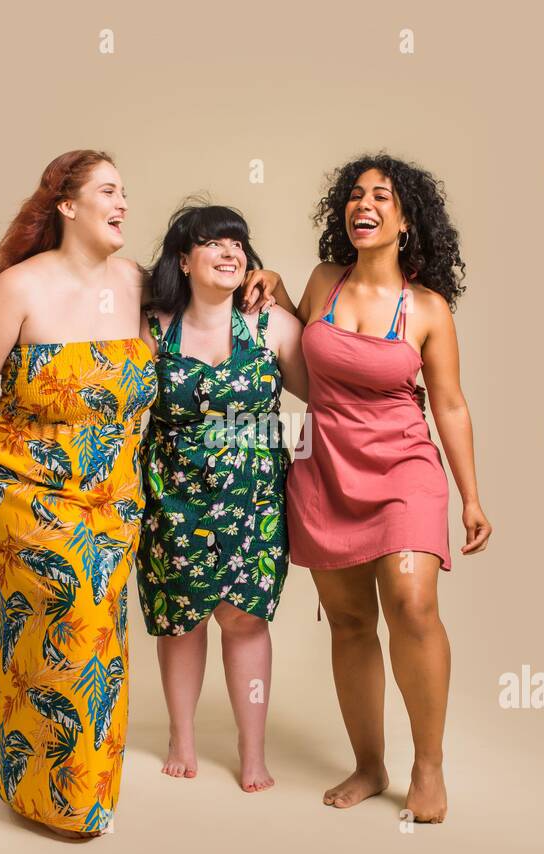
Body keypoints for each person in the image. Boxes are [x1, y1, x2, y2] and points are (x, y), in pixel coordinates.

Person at [240, 154, 492, 823]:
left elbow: (452, 406)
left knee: (411, 603)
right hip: (324, 465)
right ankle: (370, 763)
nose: (364, 204)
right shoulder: (324, 282)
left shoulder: (429, 309)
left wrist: (470, 496)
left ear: (407, 220)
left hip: (404, 467)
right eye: (355, 195)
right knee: (351, 622)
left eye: (382, 196)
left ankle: (428, 765)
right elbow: (296, 354)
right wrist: (272, 284)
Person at [0, 149, 157, 839]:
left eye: (125, 191)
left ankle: (82, 797)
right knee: (60, 627)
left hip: (113, 497)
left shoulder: (138, 282)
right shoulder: (17, 289)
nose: (123, 201)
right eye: (108, 190)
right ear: (67, 205)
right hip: (28, 493)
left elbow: (215, 286)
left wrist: (266, 283)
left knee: (101, 644)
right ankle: (48, 793)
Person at [135, 202, 308, 792]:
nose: (230, 251)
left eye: (238, 242)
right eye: (213, 242)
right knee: (180, 622)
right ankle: (181, 738)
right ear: (183, 260)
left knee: (244, 619)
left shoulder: (271, 325)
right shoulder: (151, 326)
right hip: (172, 496)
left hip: (254, 498)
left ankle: (251, 751)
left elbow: (327, 394)